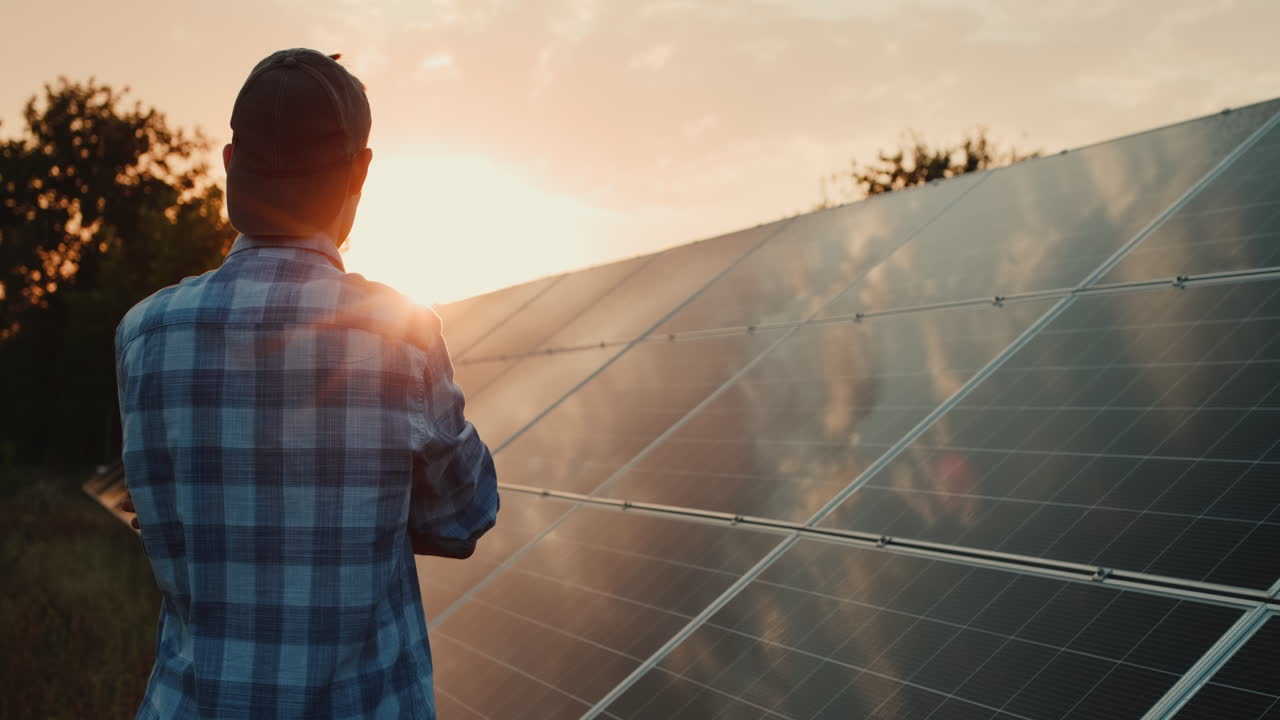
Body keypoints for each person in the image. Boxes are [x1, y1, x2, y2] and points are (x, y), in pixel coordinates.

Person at [114, 48, 499, 719]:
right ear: (360, 171)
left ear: (230, 166)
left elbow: (162, 514)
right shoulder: (399, 334)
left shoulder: (144, 334)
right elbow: (465, 518)